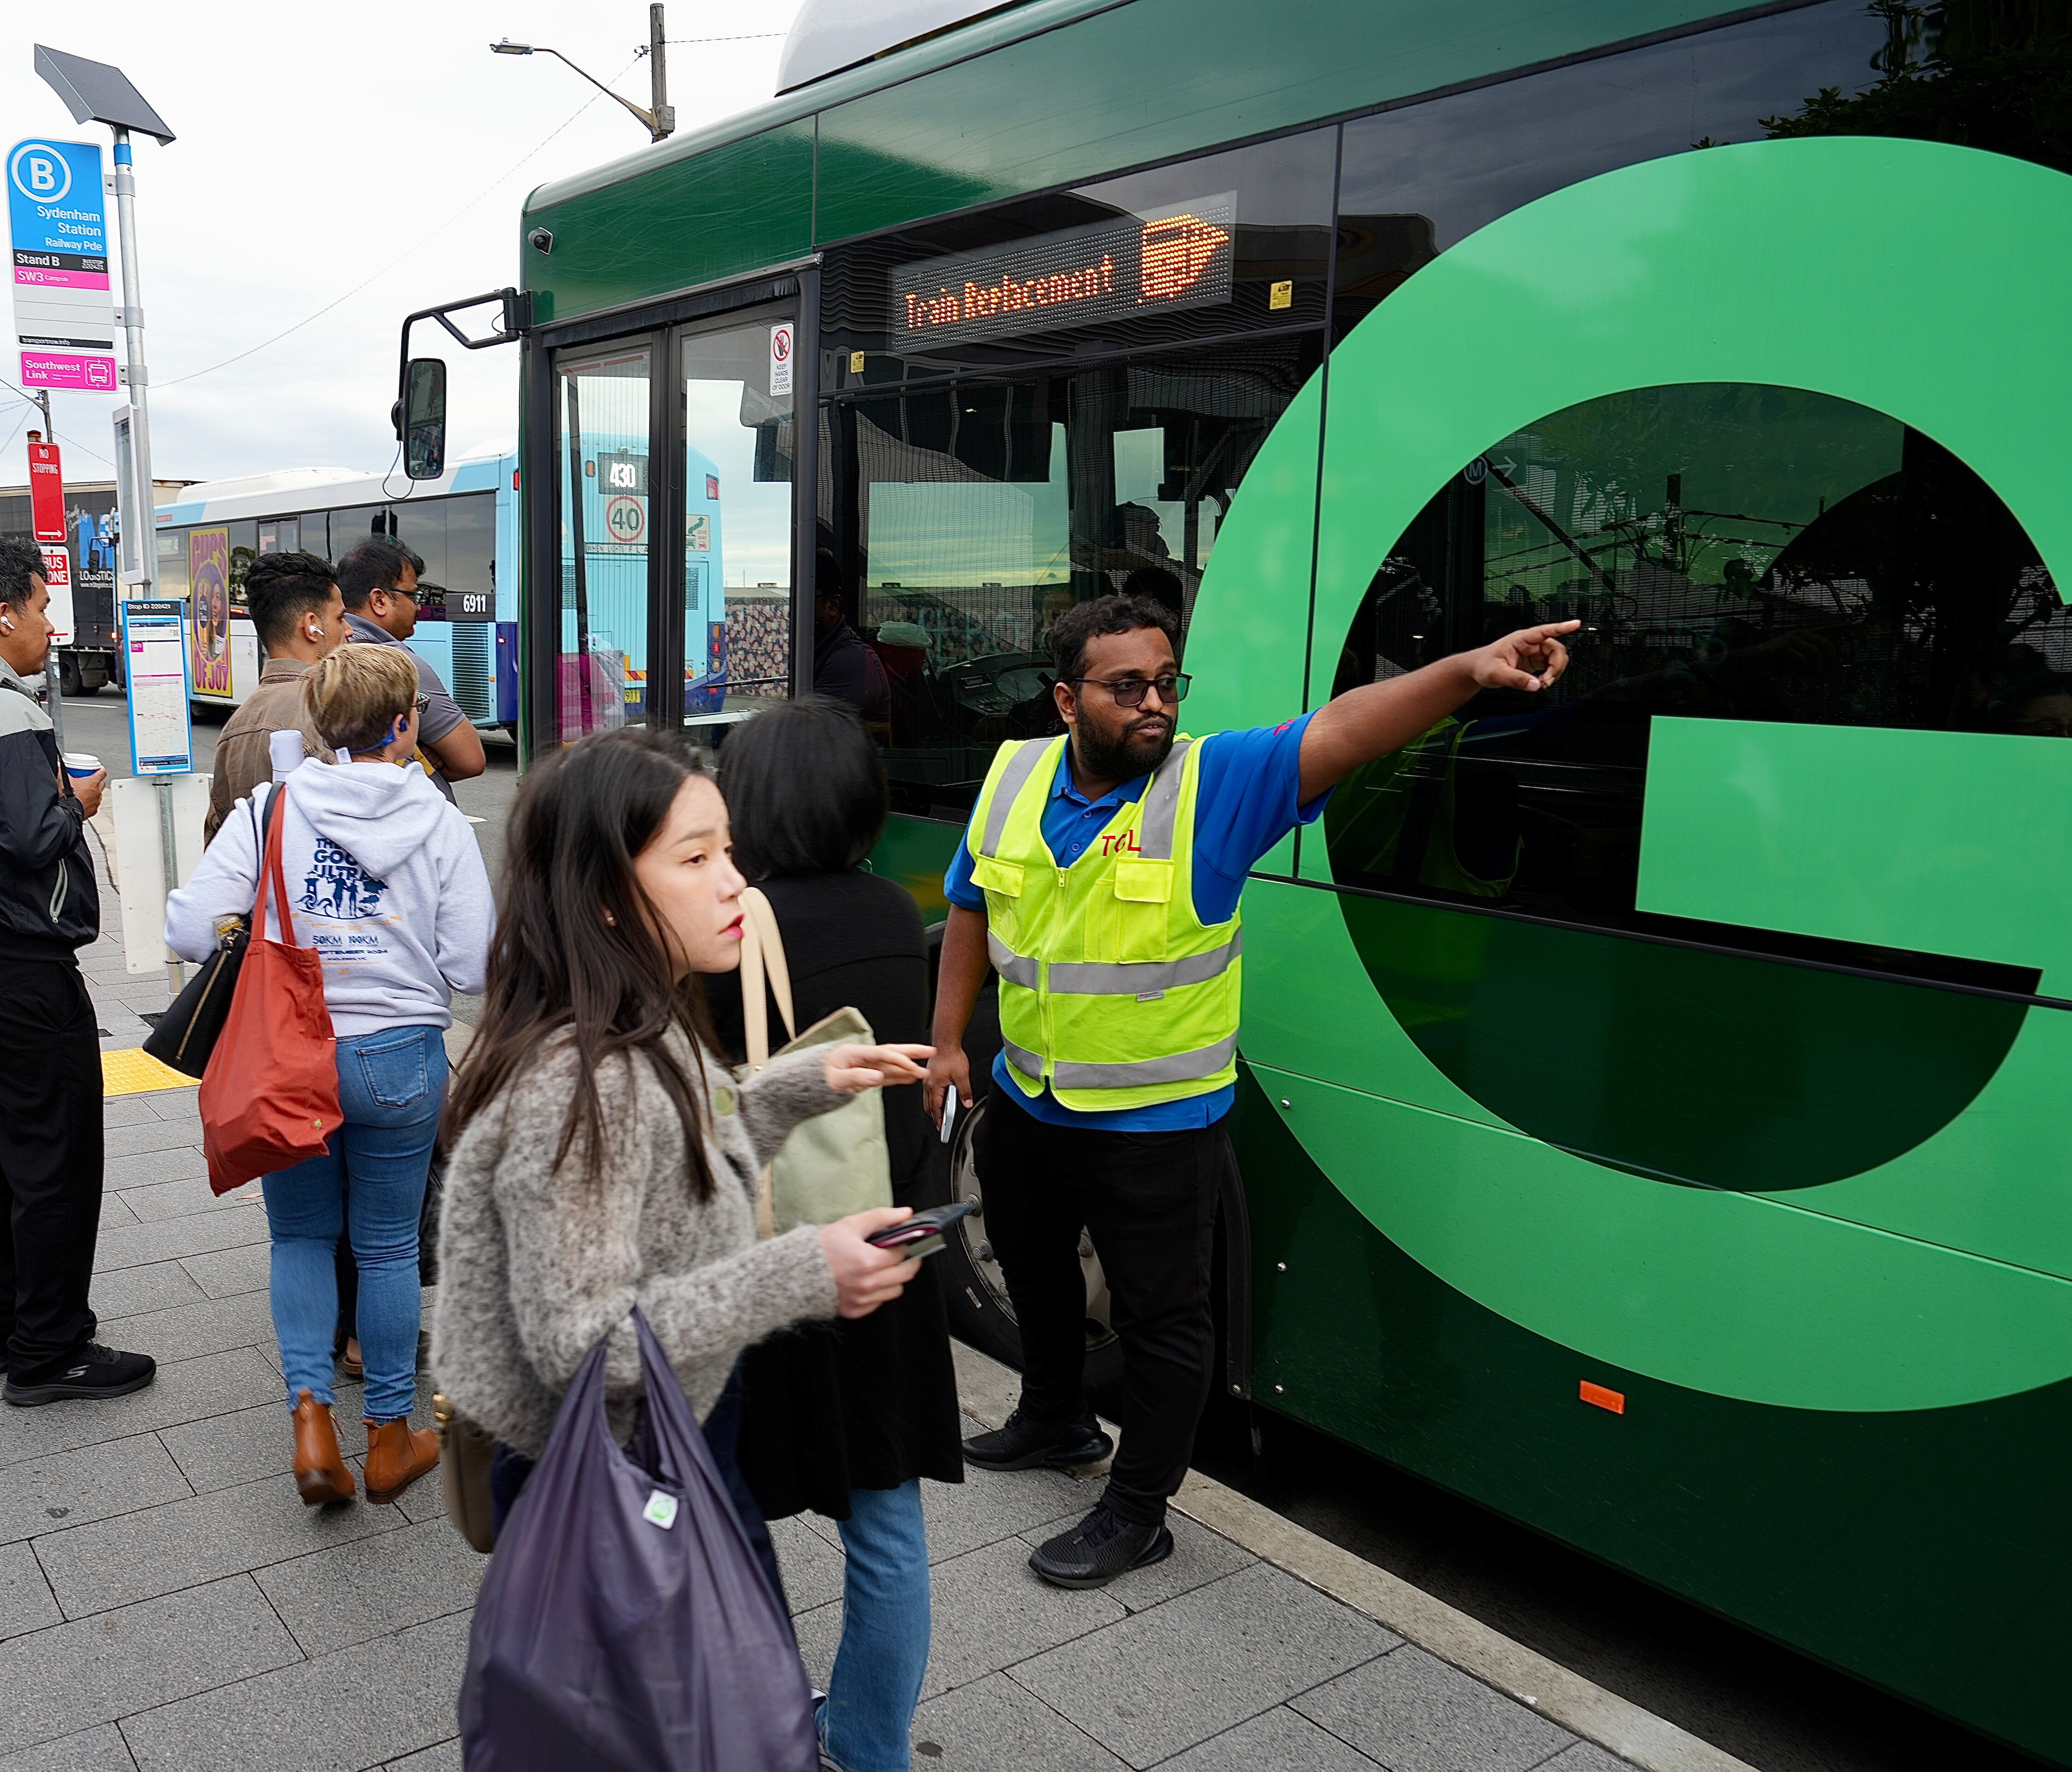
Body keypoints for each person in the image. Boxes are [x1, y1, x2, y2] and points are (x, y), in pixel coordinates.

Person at [927, 592, 1576, 1587]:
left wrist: (1463, 672)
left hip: (1154, 1121)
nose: (1155, 703)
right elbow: (970, 903)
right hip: (1027, 1094)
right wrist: (947, 1047)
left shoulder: (1210, 783)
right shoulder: (1014, 774)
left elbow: (1345, 728)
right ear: (1066, 701)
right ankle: (1054, 1417)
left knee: (1161, 1320)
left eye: (1166, 681)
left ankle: (1139, 1511)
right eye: (1127, 686)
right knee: (1033, 1263)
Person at [432, 729, 931, 1571]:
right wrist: (807, 1270)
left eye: (729, 849)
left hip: (663, 1434)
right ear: (605, 895)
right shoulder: (584, 1080)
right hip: (608, 1475)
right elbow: (584, 1343)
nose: (736, 881)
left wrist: (797, 1086)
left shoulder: (642, 1013)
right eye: (696, 859)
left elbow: (675, 1173)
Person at [698, 700, 962, 1772]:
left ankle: (754, 1724)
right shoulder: (894, 914)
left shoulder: (727, 932)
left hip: (761, 1262)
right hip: (881, 1248)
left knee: (724, 1514)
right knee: (886, 1524)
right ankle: (866, 1743)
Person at [166, 645, 494, 1504]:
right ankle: (389, 1435)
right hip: (399, 1057)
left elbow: (190, 928)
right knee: (386, 1244)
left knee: (301, 1237)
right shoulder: (441, 823)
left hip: (290, 1053)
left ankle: (311, 1423)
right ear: (404, 723)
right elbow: (472, 966)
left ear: (321, 724)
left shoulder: (271, 807)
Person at [0, 537, 155, 1406]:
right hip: (17, 961)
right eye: (44, 608)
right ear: (2, 615)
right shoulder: (0, 711)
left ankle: (1, 1325)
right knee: (54, 1151)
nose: (52, 625)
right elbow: (29, 836)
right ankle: (50, 1349)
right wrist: (77, 802)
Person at [202, 550, 343, 843]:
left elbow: (219, 842)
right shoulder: (333, 715)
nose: (349, 630)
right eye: (340, 619)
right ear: (312, 627)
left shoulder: (236, 726)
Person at [336, 537, 485, 801]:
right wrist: (415, 751)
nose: (418, 606)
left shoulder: (330, 653)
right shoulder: (398, 663)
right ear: (380, 600)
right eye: (413, 594)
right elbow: (470, 761)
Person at [814, 549, 889, 723]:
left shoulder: (849, 661)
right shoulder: (826, 652)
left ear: (833, 605)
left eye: (806, 599)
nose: (794, 611)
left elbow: (808, 737)